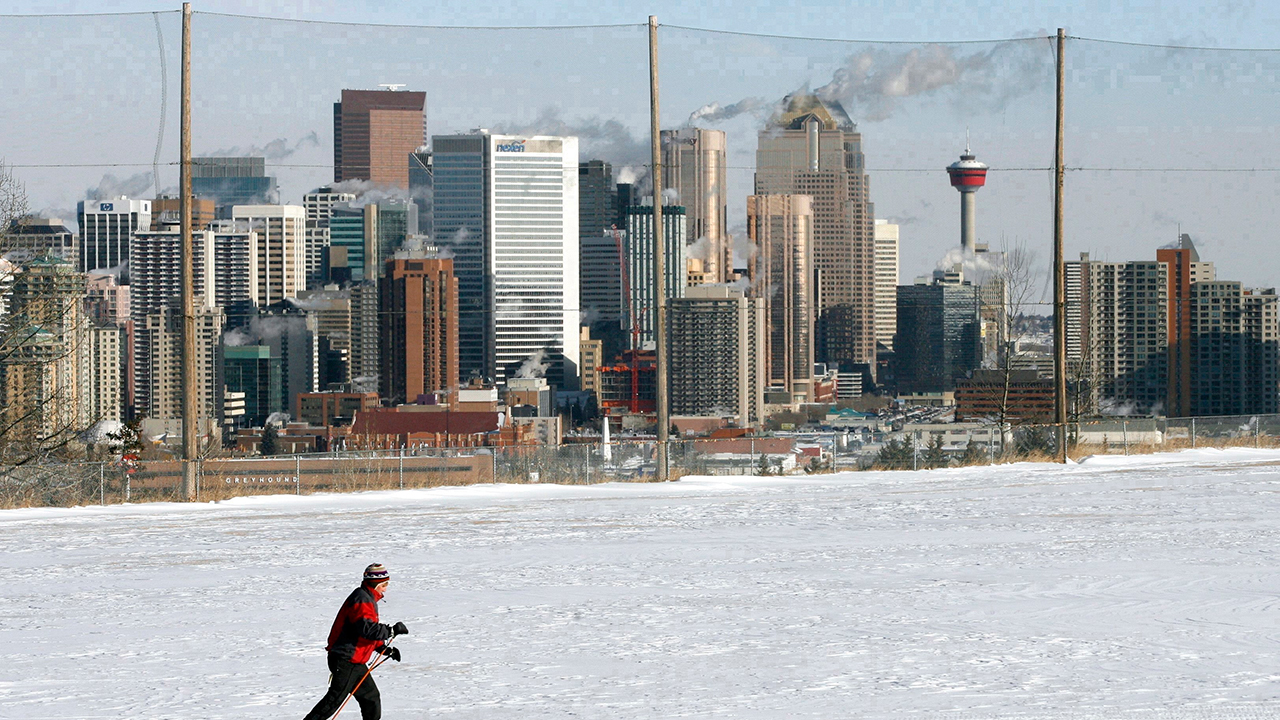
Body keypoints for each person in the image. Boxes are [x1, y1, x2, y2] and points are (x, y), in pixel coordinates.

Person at [303, 563, 409, 720]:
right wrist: (391, 630)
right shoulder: (362, 600)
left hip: (355, 661)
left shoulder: (366, 598)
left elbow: (362, 632)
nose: (385, 589)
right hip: (346, 660)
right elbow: (367, 629)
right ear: (376, 584)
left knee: (371, 698)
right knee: (333, 701)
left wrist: (383, 649)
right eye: (384, 585)